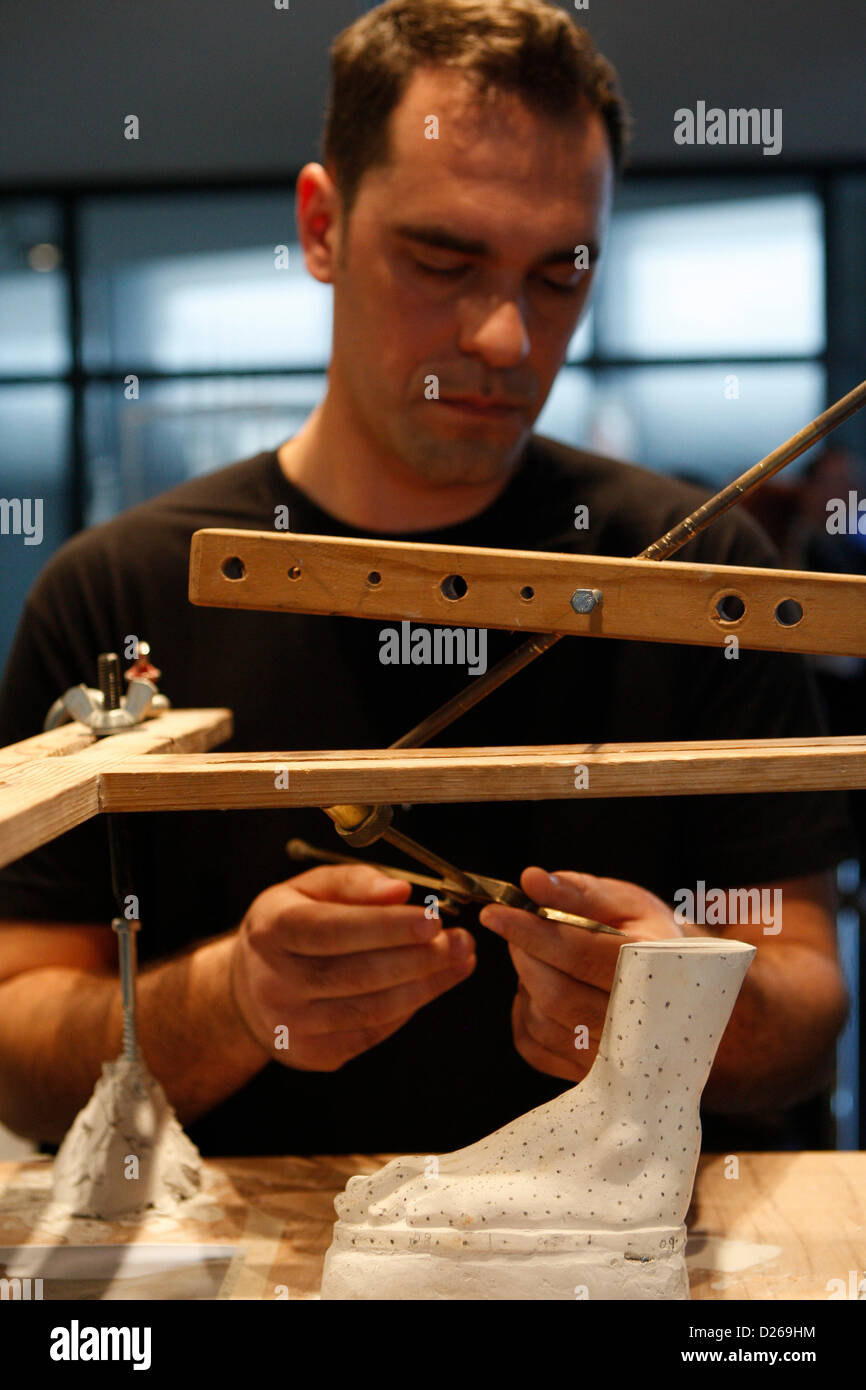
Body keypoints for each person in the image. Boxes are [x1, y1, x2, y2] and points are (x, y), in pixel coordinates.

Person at [0, 0, 855, 1160]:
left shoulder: (699, 575)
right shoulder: (118, 598)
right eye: (442, 260)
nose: (505, 338)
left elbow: (807, 1001)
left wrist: (687, 1016)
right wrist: (233, 1002)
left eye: (559, 273)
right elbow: (20, 1048)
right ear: (321, 227)